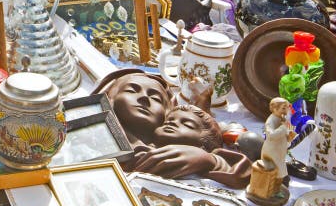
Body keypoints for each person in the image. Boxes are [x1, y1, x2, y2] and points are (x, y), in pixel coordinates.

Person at [94, 69, 251, 188]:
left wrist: (209, 159)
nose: (144, 98)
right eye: (132, 90)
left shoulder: (171, 145)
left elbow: (248, 174)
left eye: (156, 98)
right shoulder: (95, 134)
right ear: (109, 98)